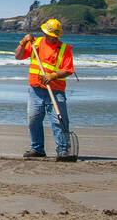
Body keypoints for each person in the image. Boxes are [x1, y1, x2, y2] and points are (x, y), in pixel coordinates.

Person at [16, 18, 76, 161]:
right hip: (35, 90)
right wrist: (23, 42)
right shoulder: (35, 43)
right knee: (34, 120)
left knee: (58, 120)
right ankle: (37, 149)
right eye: (50, 35)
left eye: (55, 36)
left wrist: (53, 75)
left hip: (55, 90)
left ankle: (63, 150)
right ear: (45, 33)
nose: (53, 38)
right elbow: (18, 56)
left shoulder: (64, 49)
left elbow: (68, 70)